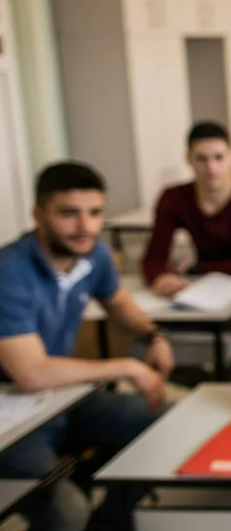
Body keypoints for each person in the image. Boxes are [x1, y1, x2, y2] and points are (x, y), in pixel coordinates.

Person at [0, 162, 175, 531]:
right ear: (38, 215)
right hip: (11, 425)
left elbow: (120, 303)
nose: (85, 226)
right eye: (68, 213)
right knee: (67, 511)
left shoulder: (91, 254)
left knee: (166, 422)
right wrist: (128, 367)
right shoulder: (9, 271)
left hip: (60, 402)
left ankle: (108, 522)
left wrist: (153, 336)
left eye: (95, 213)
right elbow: (31, 373)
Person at [142, 122, 231, 297]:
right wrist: (160, 277)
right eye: (201, 159)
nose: (211, 167)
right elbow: (153, 258)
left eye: (219, 157)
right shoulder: (173, 197)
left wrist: (194, 269)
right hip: (206, 288)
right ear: (188, 159)